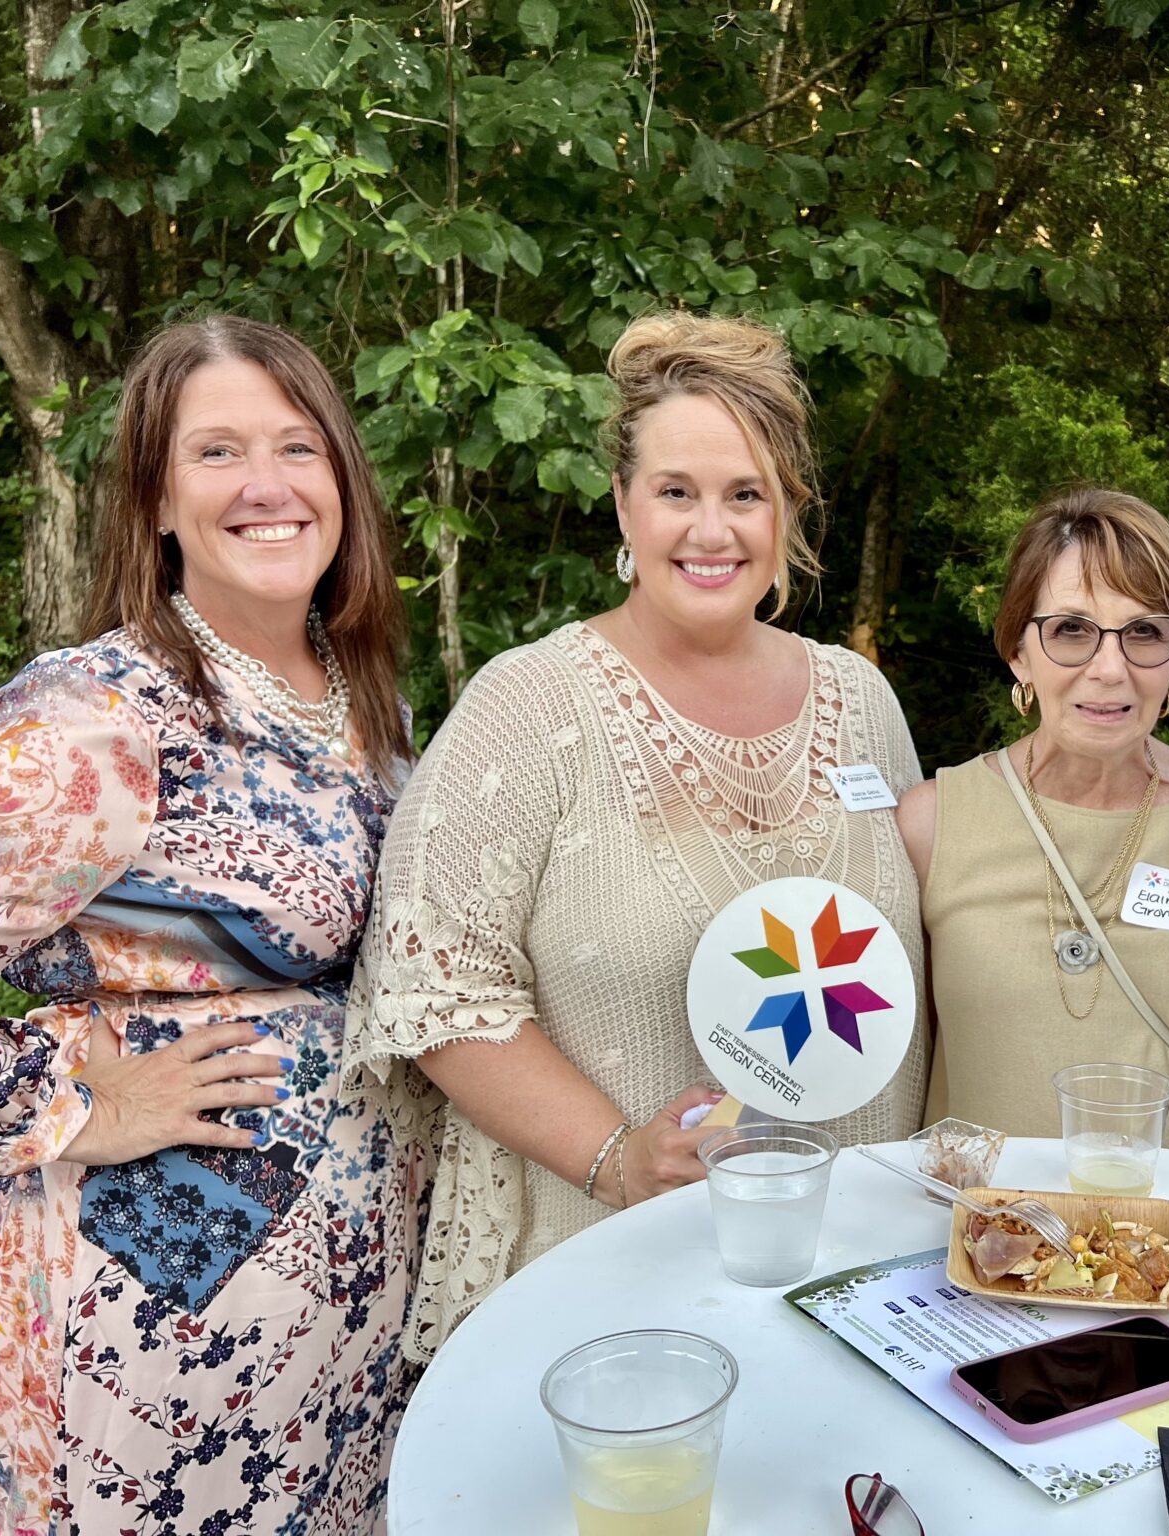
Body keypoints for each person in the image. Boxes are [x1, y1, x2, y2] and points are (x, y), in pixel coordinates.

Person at [0, 315, 422, 1531]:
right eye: (216, 452)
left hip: (346, 1289)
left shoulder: (359, 695)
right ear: (156, 500)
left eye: (298, 447)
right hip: (173, 1312)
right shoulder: (106, 725)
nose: (267, 485)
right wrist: (68, 1106)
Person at [345, 310, 928, 1362]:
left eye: (745, 494)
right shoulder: (527, 706)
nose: (712, 531)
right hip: (614, 1293)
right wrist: (616, 1158)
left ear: (789, 511)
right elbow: (433, 990)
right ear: (622, 502)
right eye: (676, 492)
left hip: (853, 1286)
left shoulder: (861, 700)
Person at [896, 488, 1169, 1163]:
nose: (1110, 669)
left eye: (1145, 632)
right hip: (981, 1227)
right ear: (1018, 649)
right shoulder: (931, 824)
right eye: (1071, 630)